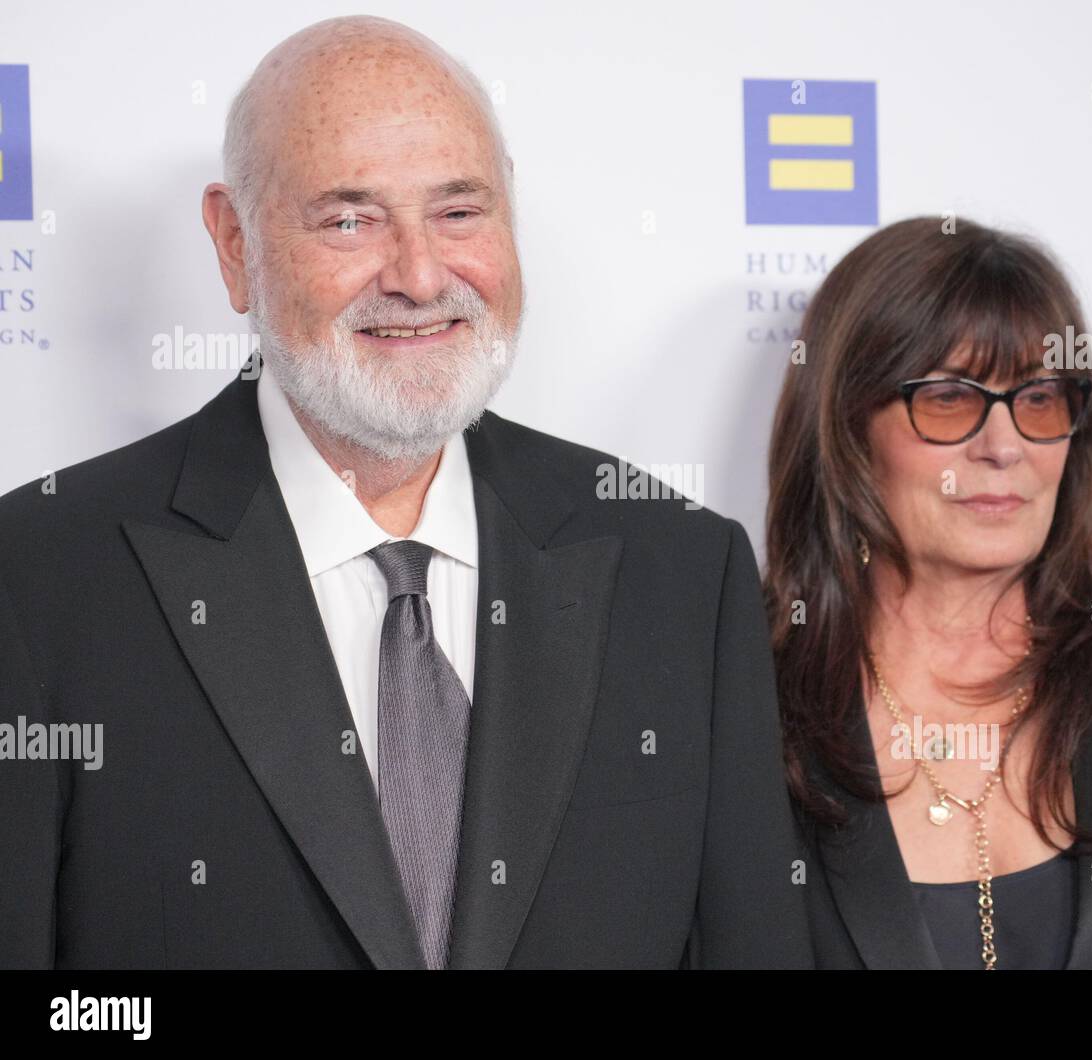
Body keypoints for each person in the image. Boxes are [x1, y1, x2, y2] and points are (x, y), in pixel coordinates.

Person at [0, 16, 810, 969]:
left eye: (459, 213)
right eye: (350, 219)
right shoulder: (40, 575)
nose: (420, 277)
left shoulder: (680, 568)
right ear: (233, 245)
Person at [763, 215, 1092, 969]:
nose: (1005, 444)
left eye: (1040, 397)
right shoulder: (745, 702)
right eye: (950, 397)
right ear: (847, 430)